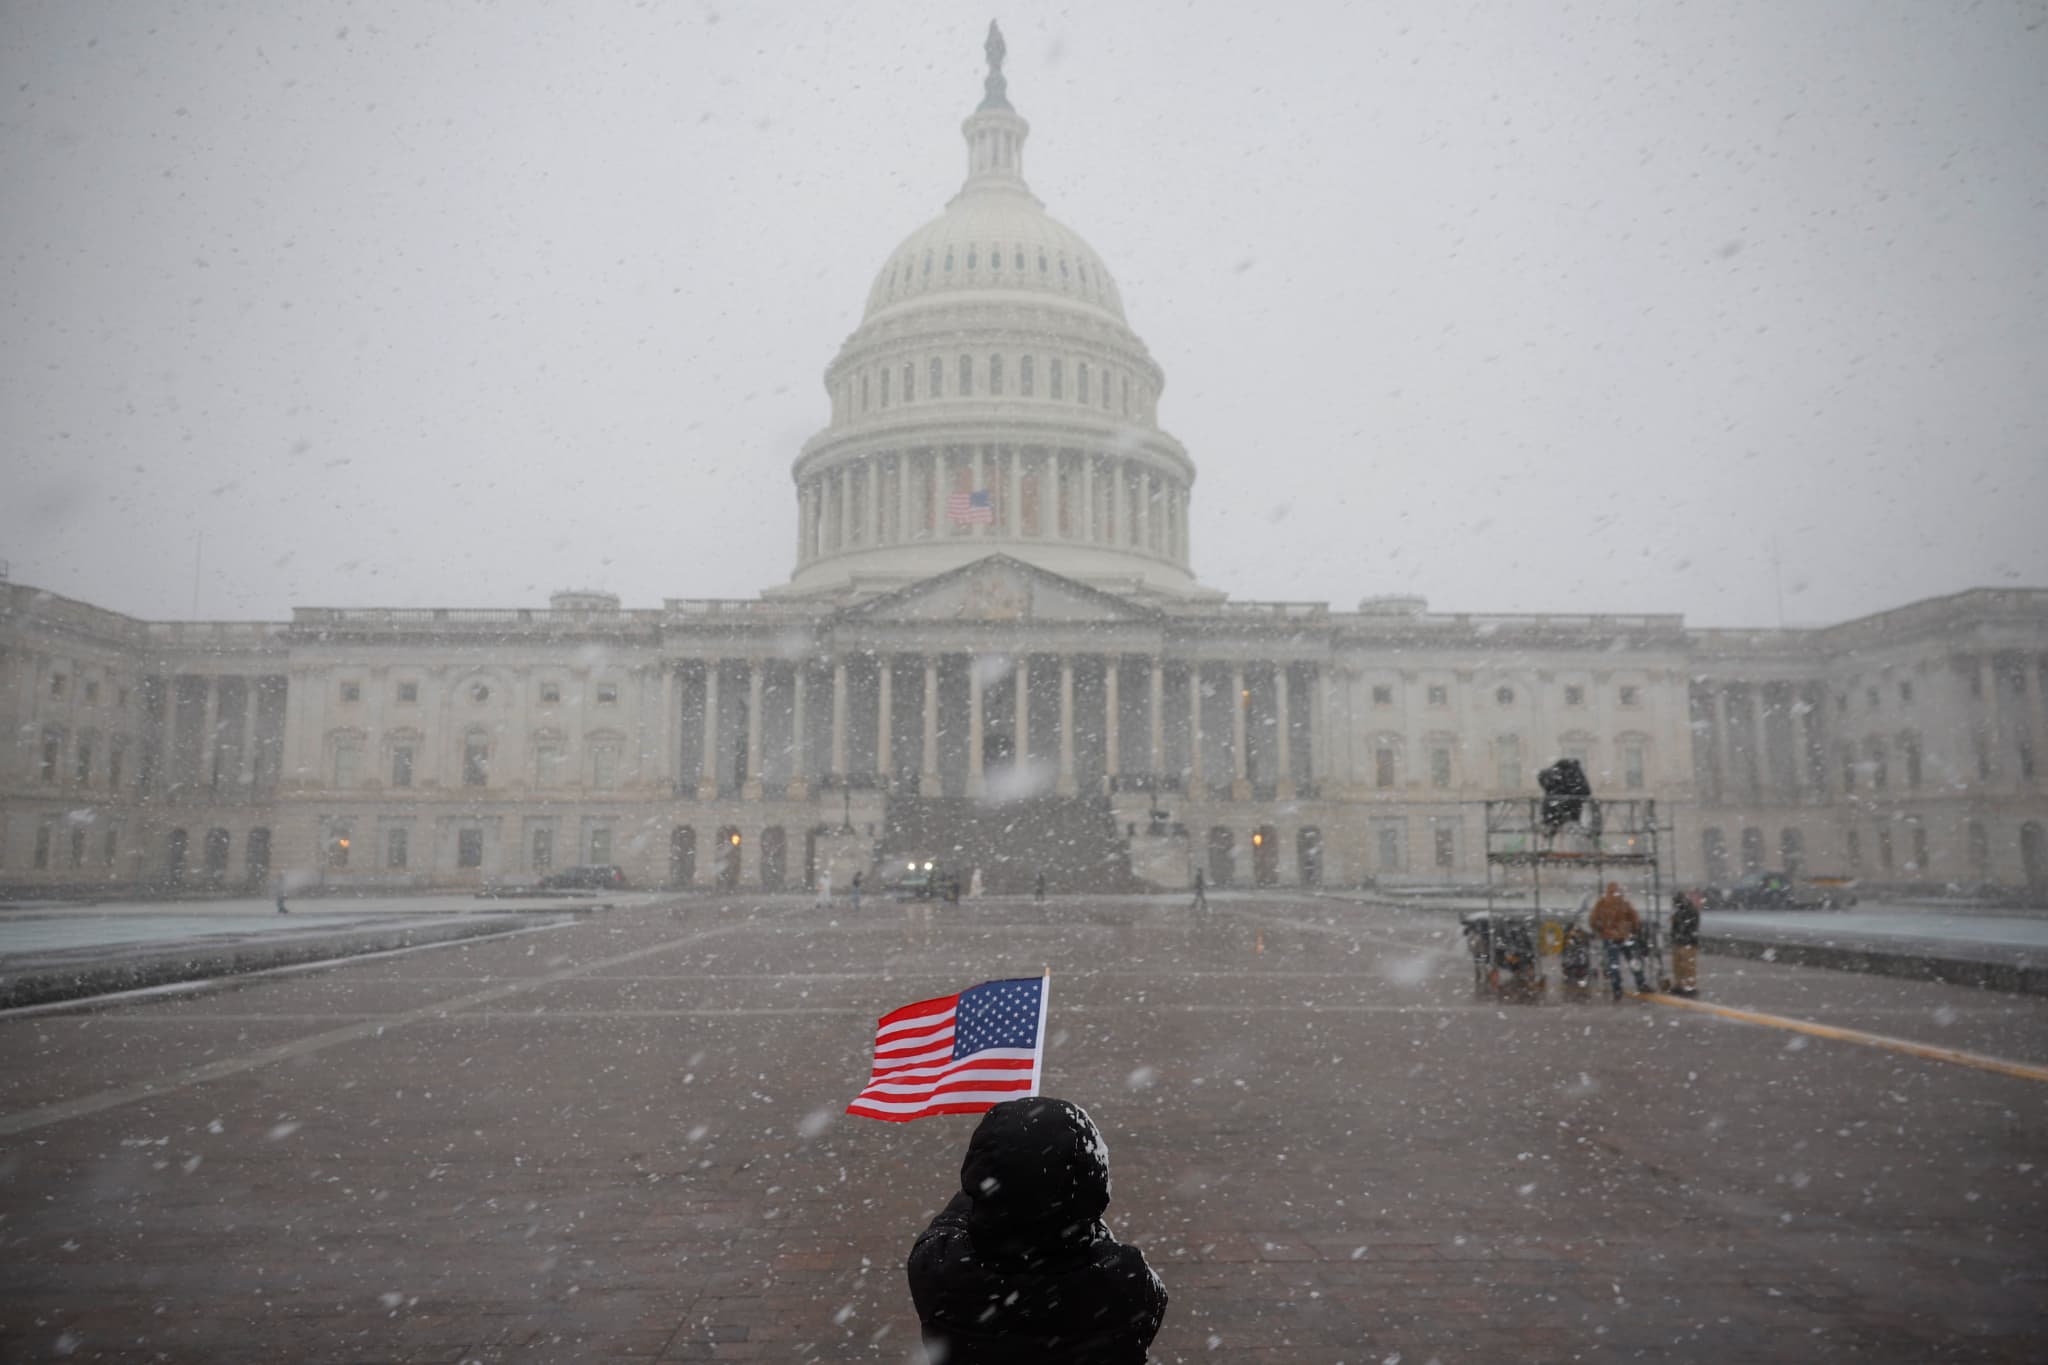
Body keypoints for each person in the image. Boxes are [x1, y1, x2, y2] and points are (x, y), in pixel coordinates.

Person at [908, 1097, 1168, 1364]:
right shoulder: (1124, 1282)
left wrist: (999, 1183)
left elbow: (952, 1220)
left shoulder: (937, 1269)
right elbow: (1155, 1299)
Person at [1589, 881, 1649, 1000]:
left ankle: (1617, 988)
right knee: (1633, 961)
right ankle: (1641, 983)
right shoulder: (1623, 903)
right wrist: (1634, 930)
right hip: (1625, 937)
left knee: (1614, 964)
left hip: (1610, 938)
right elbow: (1635, 919)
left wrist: (1602, 930)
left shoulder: (1602, 904)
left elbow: (1593, 920)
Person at [1670, 891, 1702, 997]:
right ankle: (1680, 985)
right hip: (1681, 942)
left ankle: (1689, 987)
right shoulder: (1681, 910)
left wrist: (1678, 934)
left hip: (1687, 942)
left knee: (1688, 966)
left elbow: (1689, 926)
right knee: (1679, 965)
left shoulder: (1690, 911)